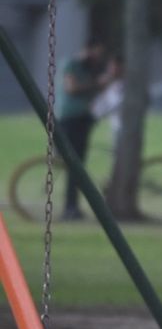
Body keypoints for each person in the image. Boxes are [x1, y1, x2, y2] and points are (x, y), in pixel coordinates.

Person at [57, 40, 114, 220]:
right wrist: (96, 84)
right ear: (88, 50)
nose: (98, 58)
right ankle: (70, 207)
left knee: (78, 165)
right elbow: (71, 88)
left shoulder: (90, 69)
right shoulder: (72, 64)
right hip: (70, 118)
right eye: (97, 53)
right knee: (73, 164)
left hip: (84, 118)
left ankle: (73, 205)